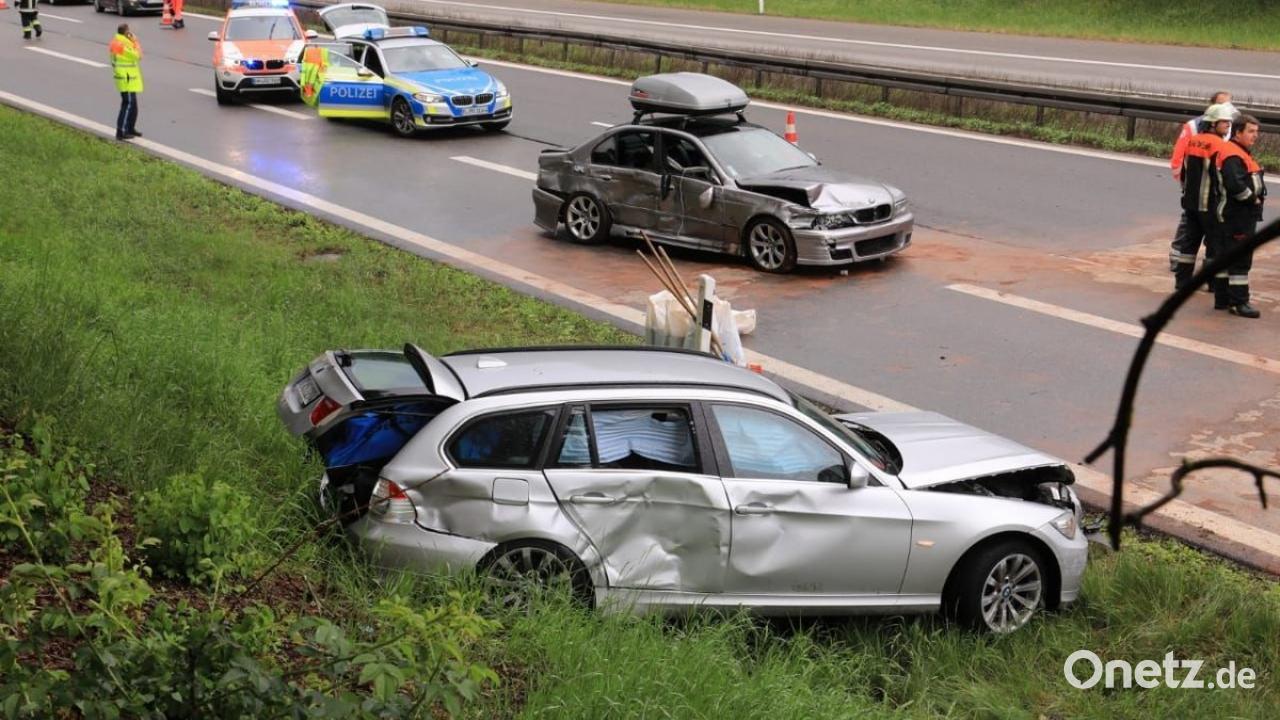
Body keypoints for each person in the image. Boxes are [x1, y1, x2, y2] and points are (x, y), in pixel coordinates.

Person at [1171, 102, 1235, 292]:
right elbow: (1223, 177)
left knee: (1189, 246)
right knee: (1214, 246)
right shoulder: (1220, 146)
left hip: (1191, 203)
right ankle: (1212, 283)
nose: (1228, 126)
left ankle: (1182, 282)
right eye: (1224, 122)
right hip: (1210, 205)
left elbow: (1184, 171)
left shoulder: (1193, 141)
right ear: (1213, 124)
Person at [1214, 114, 1266, 318]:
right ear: (1238, 132)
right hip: (1238, 216)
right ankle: (1239, 302)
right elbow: (1236, 185)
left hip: (1235, 215)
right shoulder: (1233, 154)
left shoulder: (1237, 151)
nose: (1255, 136)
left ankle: (1222, 298)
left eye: (1256, 132)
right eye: (1251, 131)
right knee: (1240, 260)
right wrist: (1252, 199)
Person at [108, 24, 143, 141]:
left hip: (128, 77)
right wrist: (135, 41)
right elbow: (137, 55)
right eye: (129, 32)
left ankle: (130, 127)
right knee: (128, 104)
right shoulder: (121, 44)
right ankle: (121, 131)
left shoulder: (118, 42)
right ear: (126, 32)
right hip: (125, 77)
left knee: (133, 104)